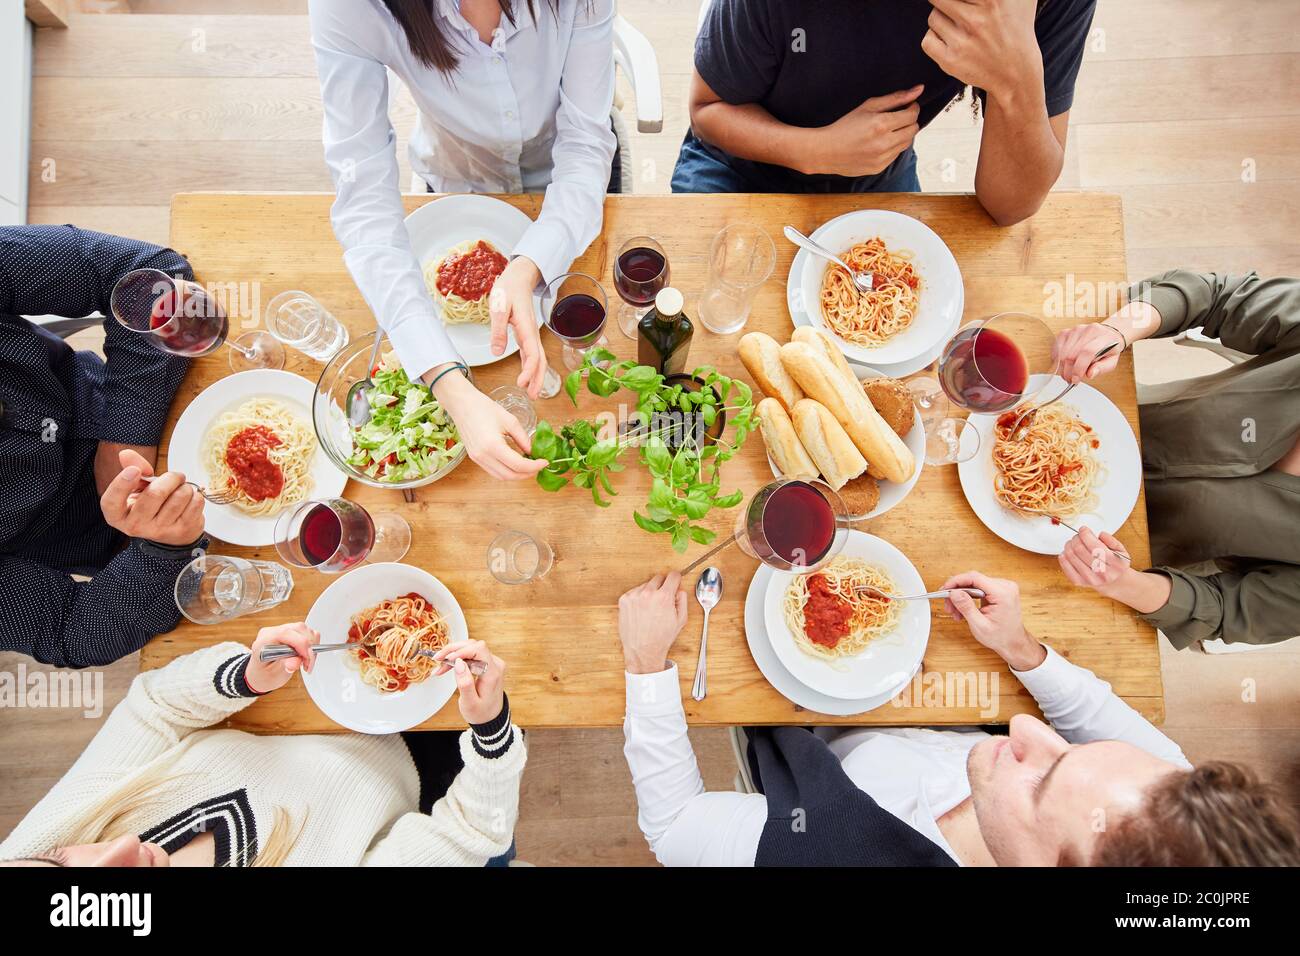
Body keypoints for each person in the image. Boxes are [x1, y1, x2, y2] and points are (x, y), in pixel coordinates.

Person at [618, 571, 1299, 866]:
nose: (1026, 729)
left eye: (1043, 779)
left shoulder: (818, 853)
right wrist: (1021, 650)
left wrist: (648, 666)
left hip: (787, 746)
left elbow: (674, 828)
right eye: (1072, 750)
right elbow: (1093, 712)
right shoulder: (1172, 814)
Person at [308, 0, 618, 481]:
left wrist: (530, 263)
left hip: (571, 188)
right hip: (456, 174)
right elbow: (364, 200)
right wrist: (448, 386)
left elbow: (586, 144)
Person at [0, 625, 524, 867]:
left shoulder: (44, 841)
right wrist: (491, 729)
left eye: (61, 863)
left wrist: (241, 679)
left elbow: (154, 706)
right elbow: (469, 834)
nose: (120, 848)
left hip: (301, 701)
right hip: (423, 769)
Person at [674, 0, 1094, 224]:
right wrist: (819, 151)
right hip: (735, 165)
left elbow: (1010, 207)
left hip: (877, 167)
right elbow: (707, 109)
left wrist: (1017, 78)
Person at [1054, 270, 1300, 649]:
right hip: (1081, 411)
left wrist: (1124, 582)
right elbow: (1213, 296)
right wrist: (1117, 332)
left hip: (1099, 549)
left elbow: (1225, 609)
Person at [0, 225, 207, 668]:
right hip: (148, 545)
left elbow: (148, 277)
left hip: (175, 386)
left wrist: (124, 440)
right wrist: (164, 550)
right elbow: (72, 633)